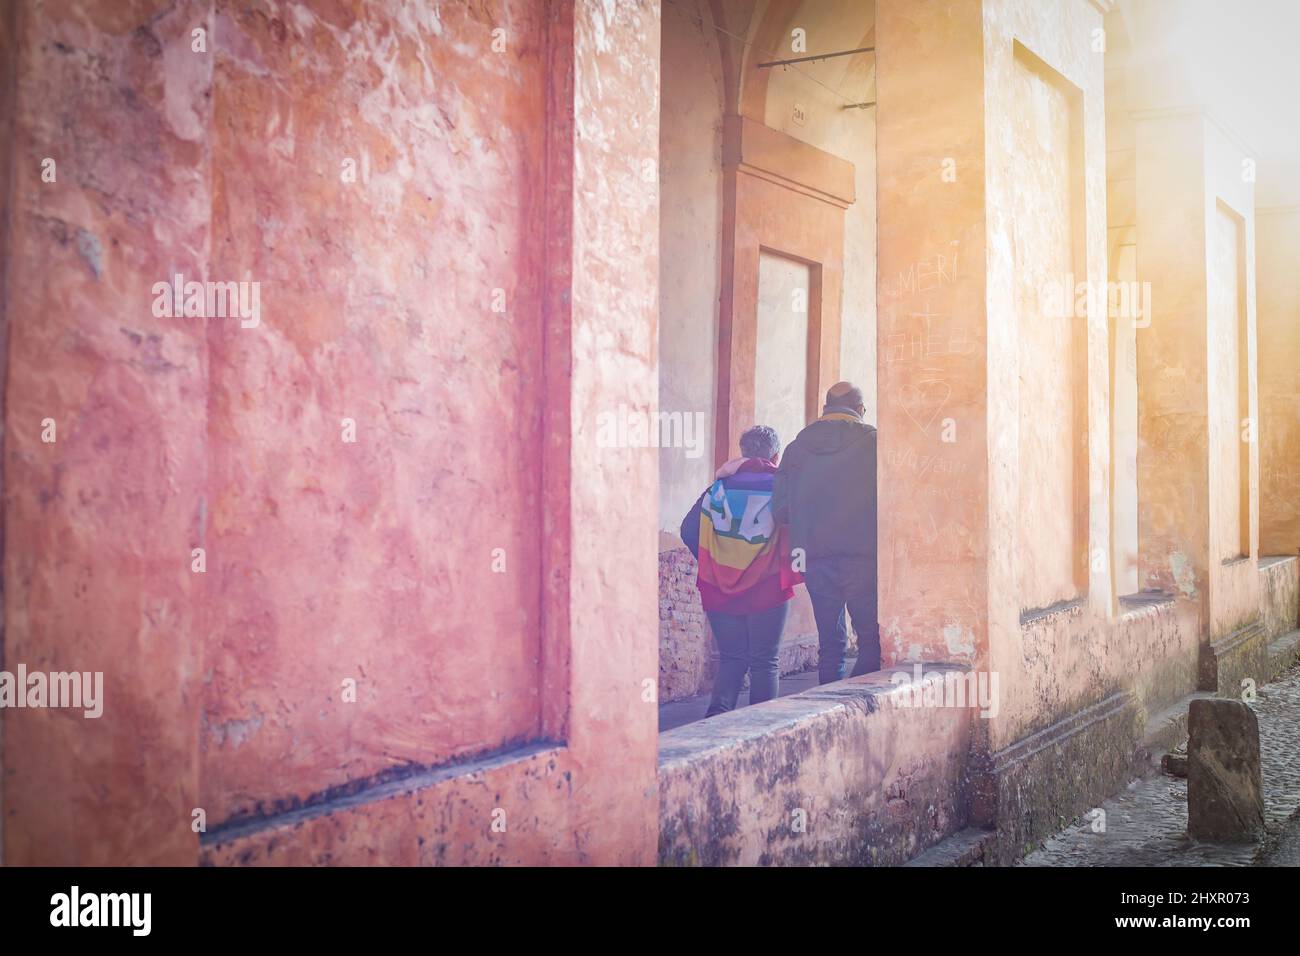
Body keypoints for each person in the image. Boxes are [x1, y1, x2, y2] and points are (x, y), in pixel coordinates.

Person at [680, 425, 802, 716]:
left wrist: (717, 563)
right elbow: (799, 529)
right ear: (776, 454)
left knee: (732, 658)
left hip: (720, 589)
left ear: (743, 451)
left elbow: (688, 529)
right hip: (768, 588)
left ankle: (716, 719)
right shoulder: (781, 488)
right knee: (764, 661)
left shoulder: (717, 489)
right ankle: (761, 729)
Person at [773, 381, 879, 683]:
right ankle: (859, 708)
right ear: (860, 410)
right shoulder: (873, 442)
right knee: (871, 642)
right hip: (864, 557)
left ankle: (827, 699)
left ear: (824, 409)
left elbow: (780, 510)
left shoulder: (795, 450)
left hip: (813, 557)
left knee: (830, 644)